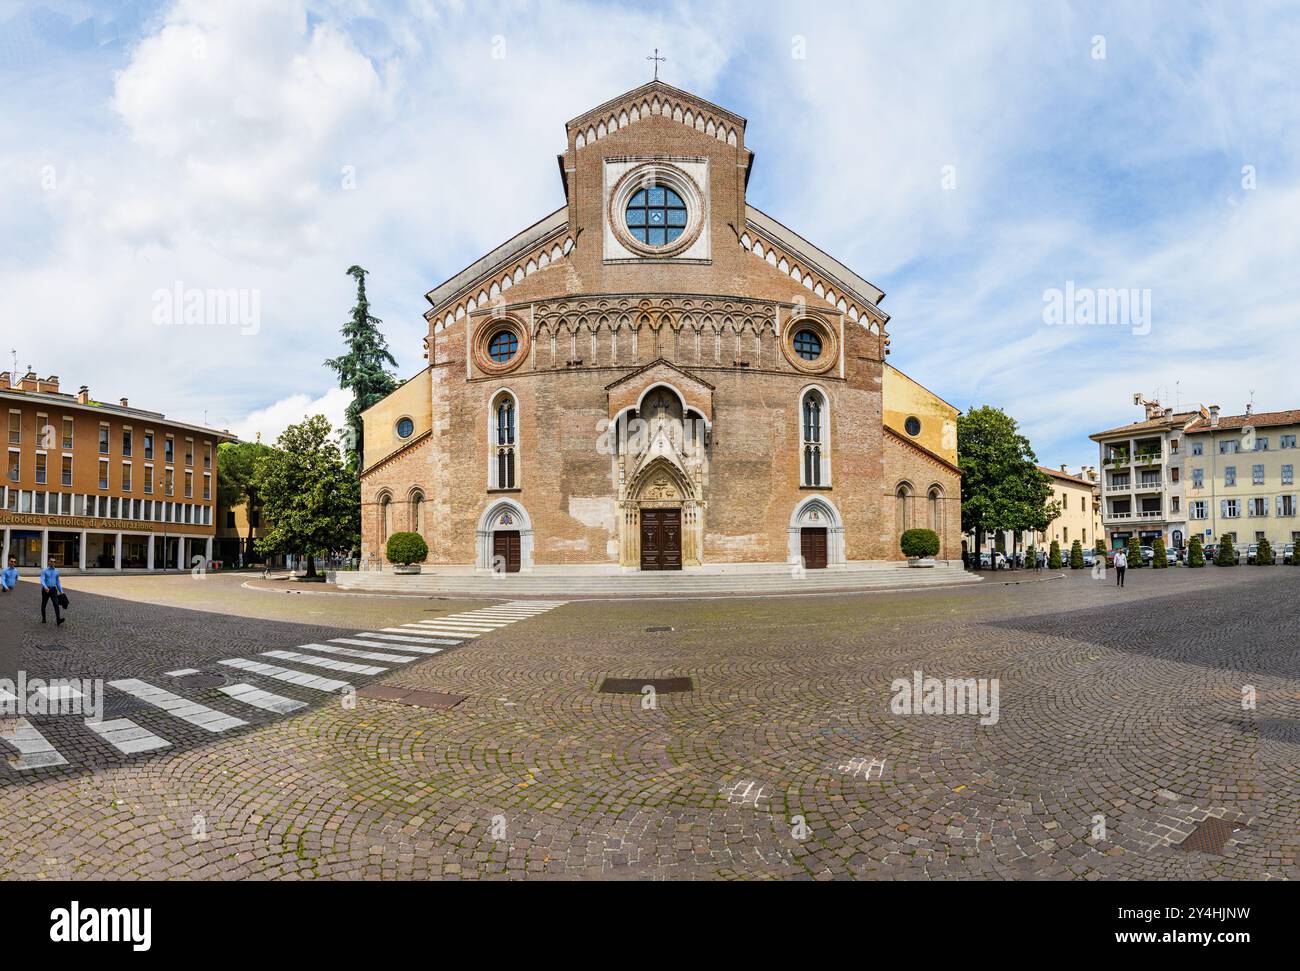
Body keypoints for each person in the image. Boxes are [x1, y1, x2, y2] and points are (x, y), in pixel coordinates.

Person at [40, 557, 65, 625]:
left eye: (54, 562)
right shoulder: (44, 570)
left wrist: (61, 591)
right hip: (46, 590)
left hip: (53, 589)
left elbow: (58, 582)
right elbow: (42, 580)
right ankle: (44, 618)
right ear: (48, 562)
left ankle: (58, 619)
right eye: (51, 561)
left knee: (56, 604)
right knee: (44, 604)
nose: (52, 563)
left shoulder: (57, 571)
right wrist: (45, 587)